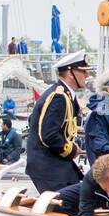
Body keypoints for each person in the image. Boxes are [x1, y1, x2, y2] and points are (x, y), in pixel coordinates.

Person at [26, 50, 89, 193]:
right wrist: (72, 150)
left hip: (55, 165)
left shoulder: (66, 95)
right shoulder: (58, 97)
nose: (87, 75)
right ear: (70, 73)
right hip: (49, 168)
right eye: (83, 72)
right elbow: (49, 135)